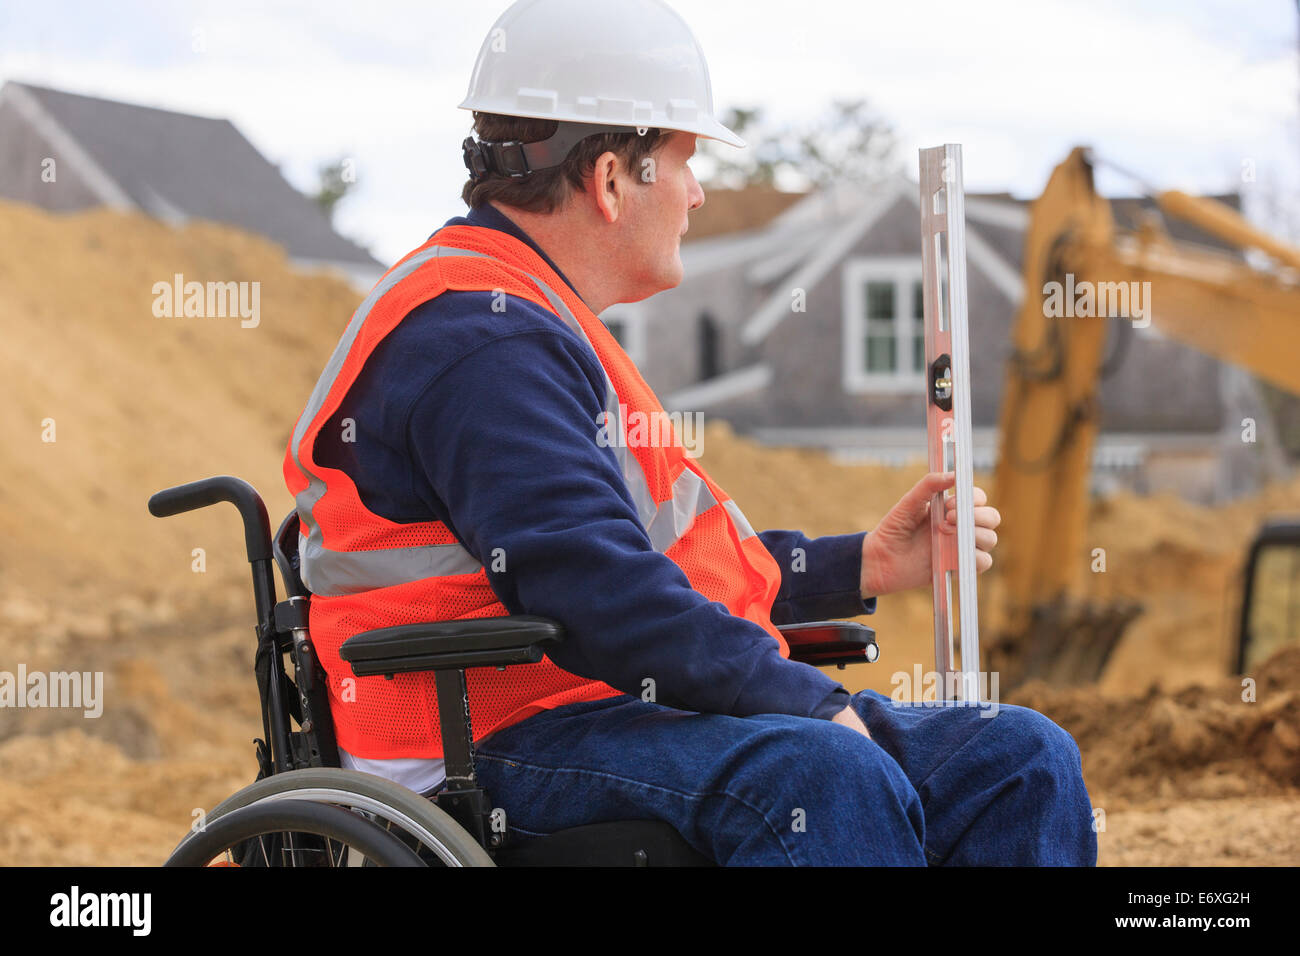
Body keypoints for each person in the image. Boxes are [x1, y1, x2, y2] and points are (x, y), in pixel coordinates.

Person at [283, 0, 1097, 865]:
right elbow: (596, 590)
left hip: (584, 708)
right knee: (822, 774)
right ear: (608, 180)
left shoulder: (526, 317)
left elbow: (654, 569)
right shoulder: (484, 340)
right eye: (684, 161)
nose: (699, 192)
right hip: (484, 748)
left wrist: (855, 565)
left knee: (1018, 760)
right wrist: (811, 703)